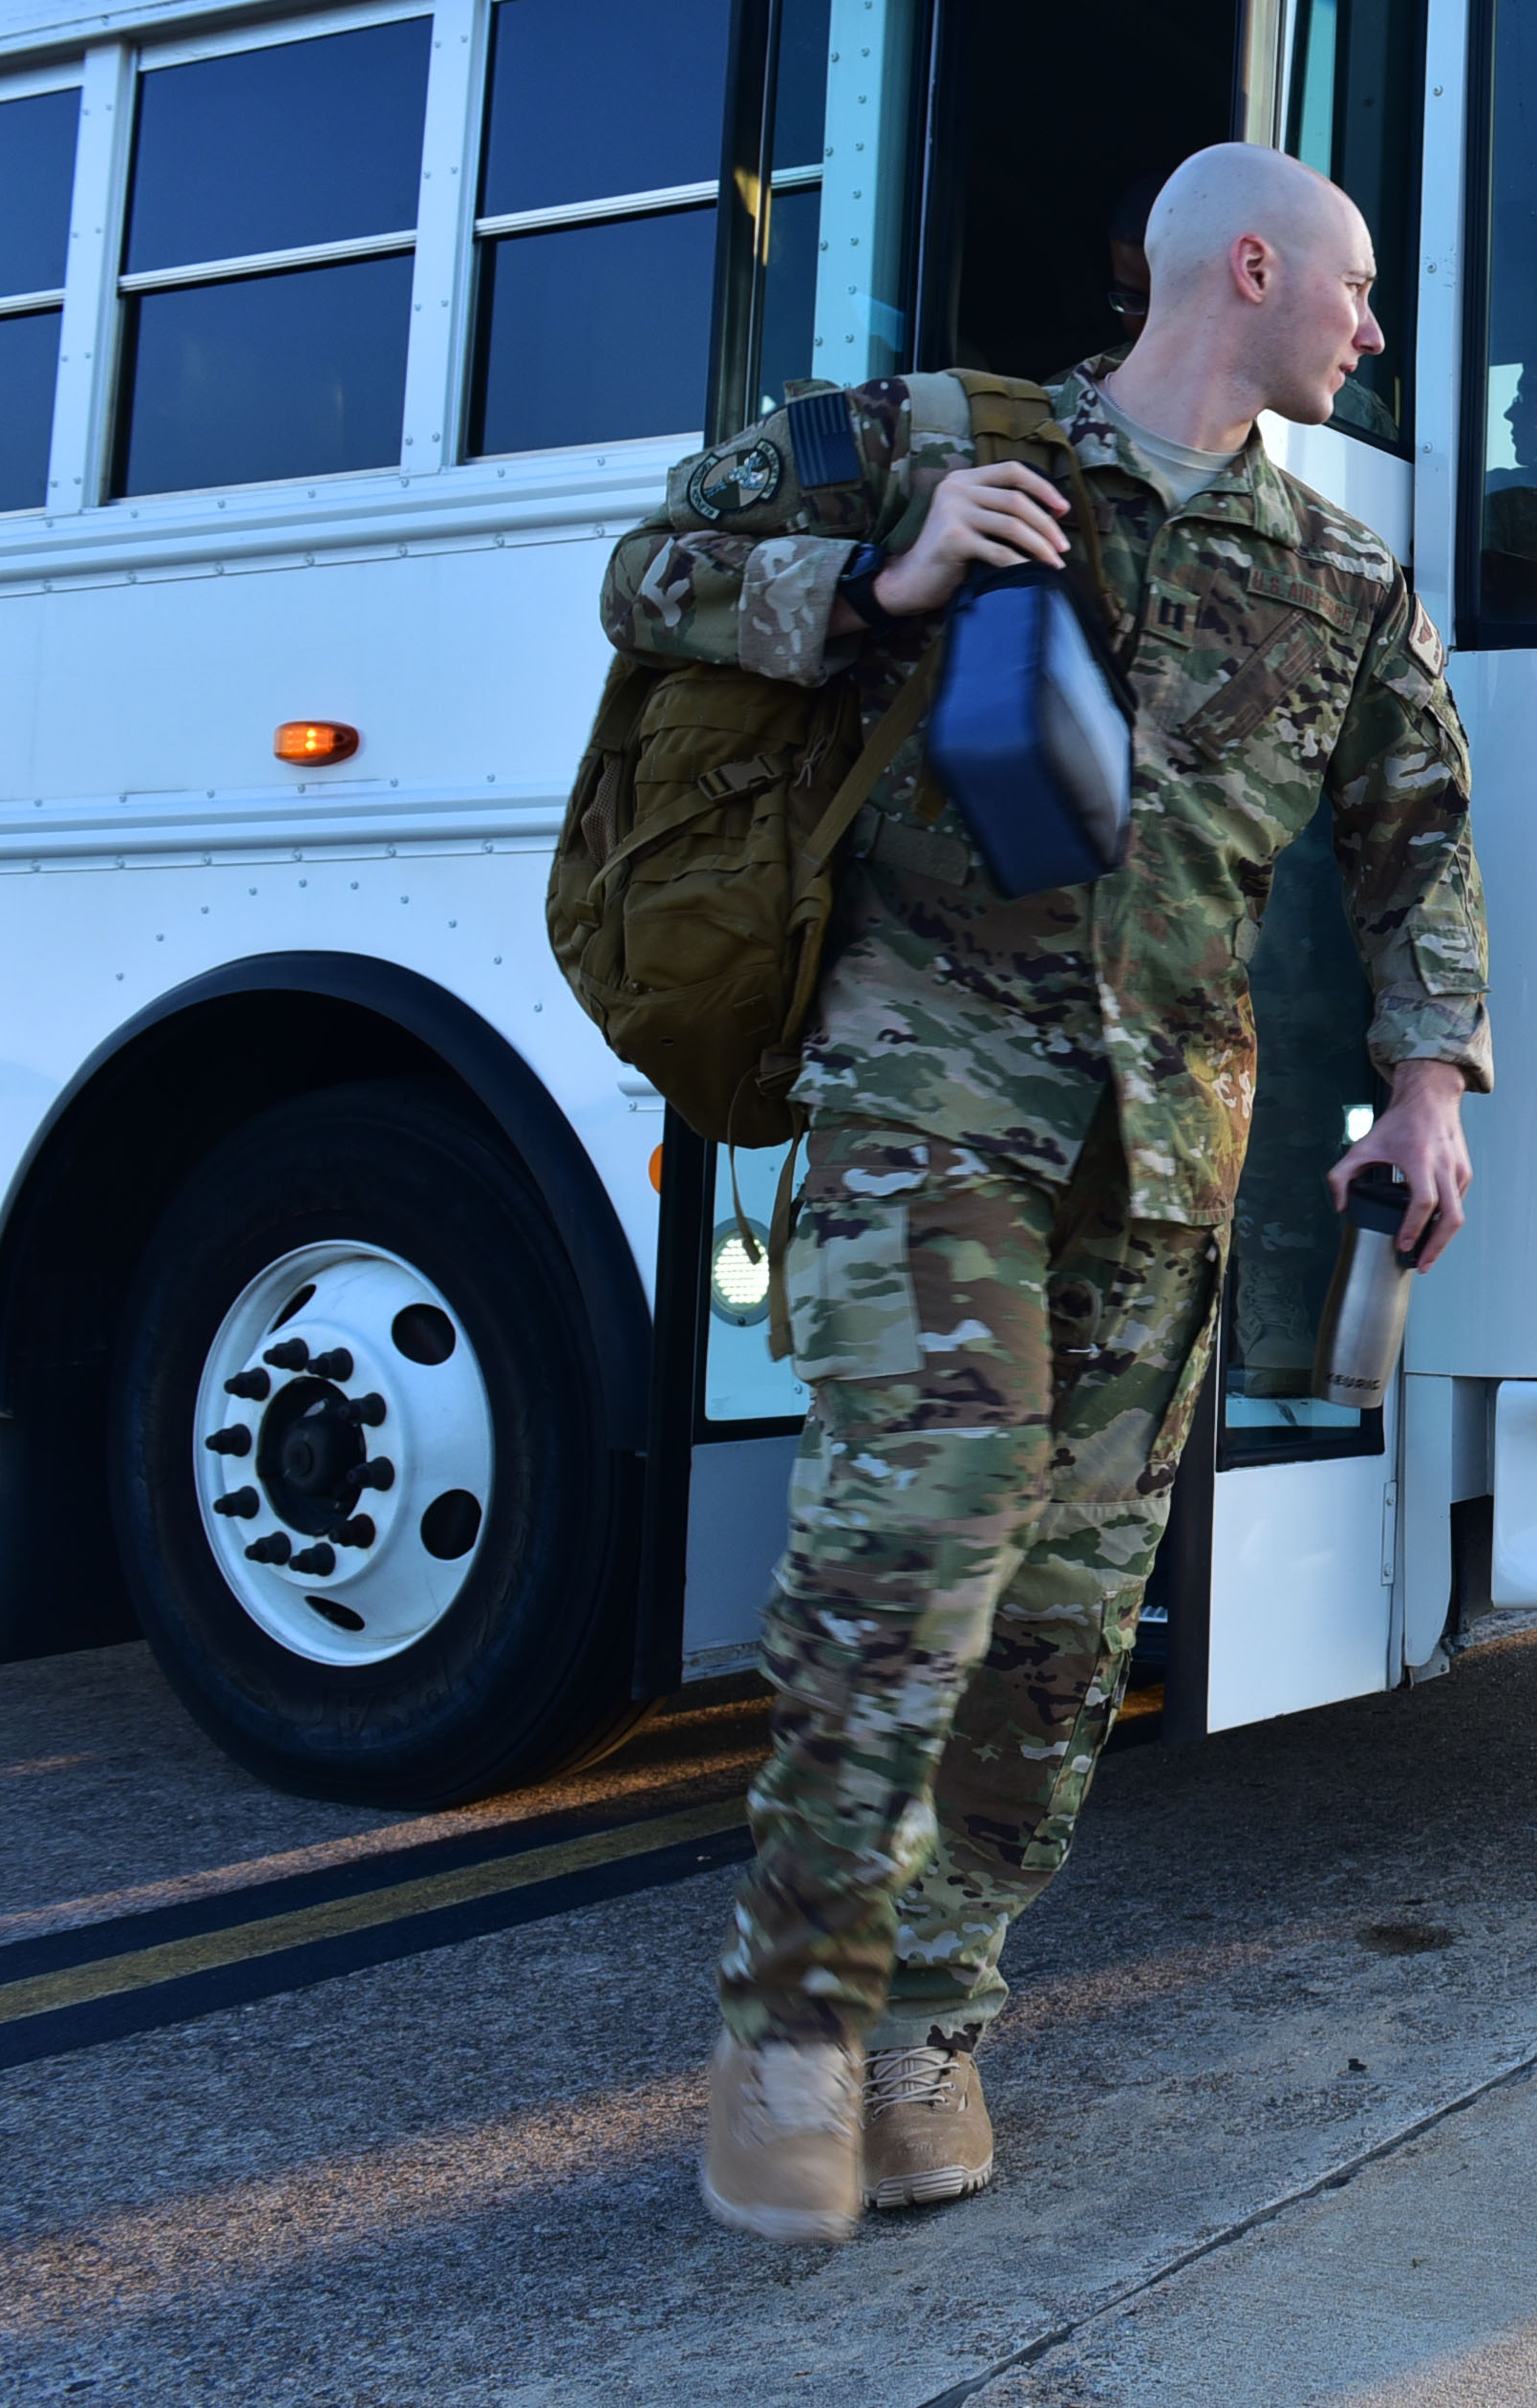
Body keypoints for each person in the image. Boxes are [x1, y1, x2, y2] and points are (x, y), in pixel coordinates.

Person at [605, 144, 1492, 2244]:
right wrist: (881, 584)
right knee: (913, 1535)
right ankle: (798, 2027)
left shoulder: (1341, 575)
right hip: (932, 1090)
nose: (1372, 330)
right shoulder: (931, 445)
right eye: (1355, 290)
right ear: (1249, 271)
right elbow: (646, 572)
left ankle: (933, 2018)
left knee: (1070, 1627)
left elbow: (1419, 836)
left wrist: (1429, 1084)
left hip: (1168, 1147)